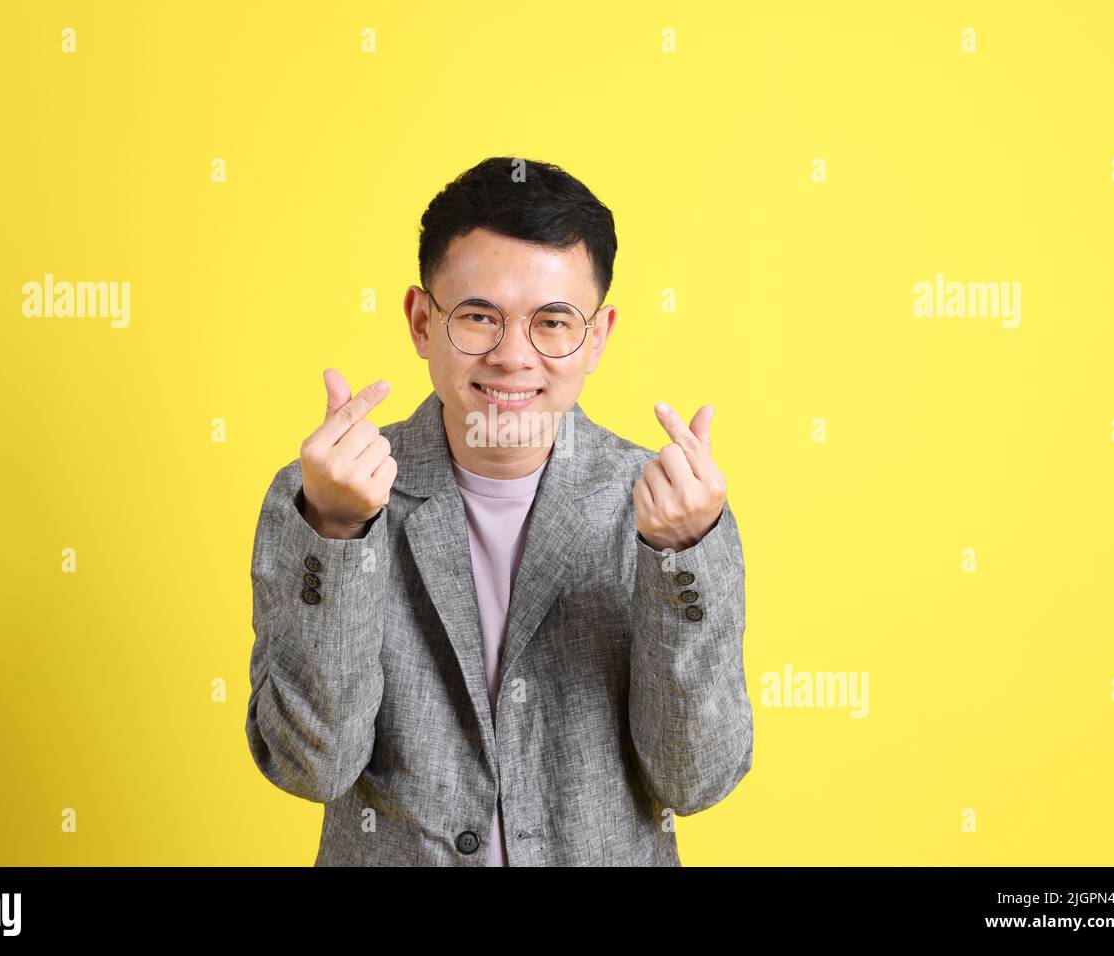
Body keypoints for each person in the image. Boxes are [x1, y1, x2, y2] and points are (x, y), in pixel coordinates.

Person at [245, 156, 753, 865]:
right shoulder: (321, 497)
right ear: (422, 322)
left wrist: (681, 556)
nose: (514, 357)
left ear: (598, 336)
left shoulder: (671, 505)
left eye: (553, 322)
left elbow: (695, 777)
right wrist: (336, 534)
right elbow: (312, 766)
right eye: (480, 317)